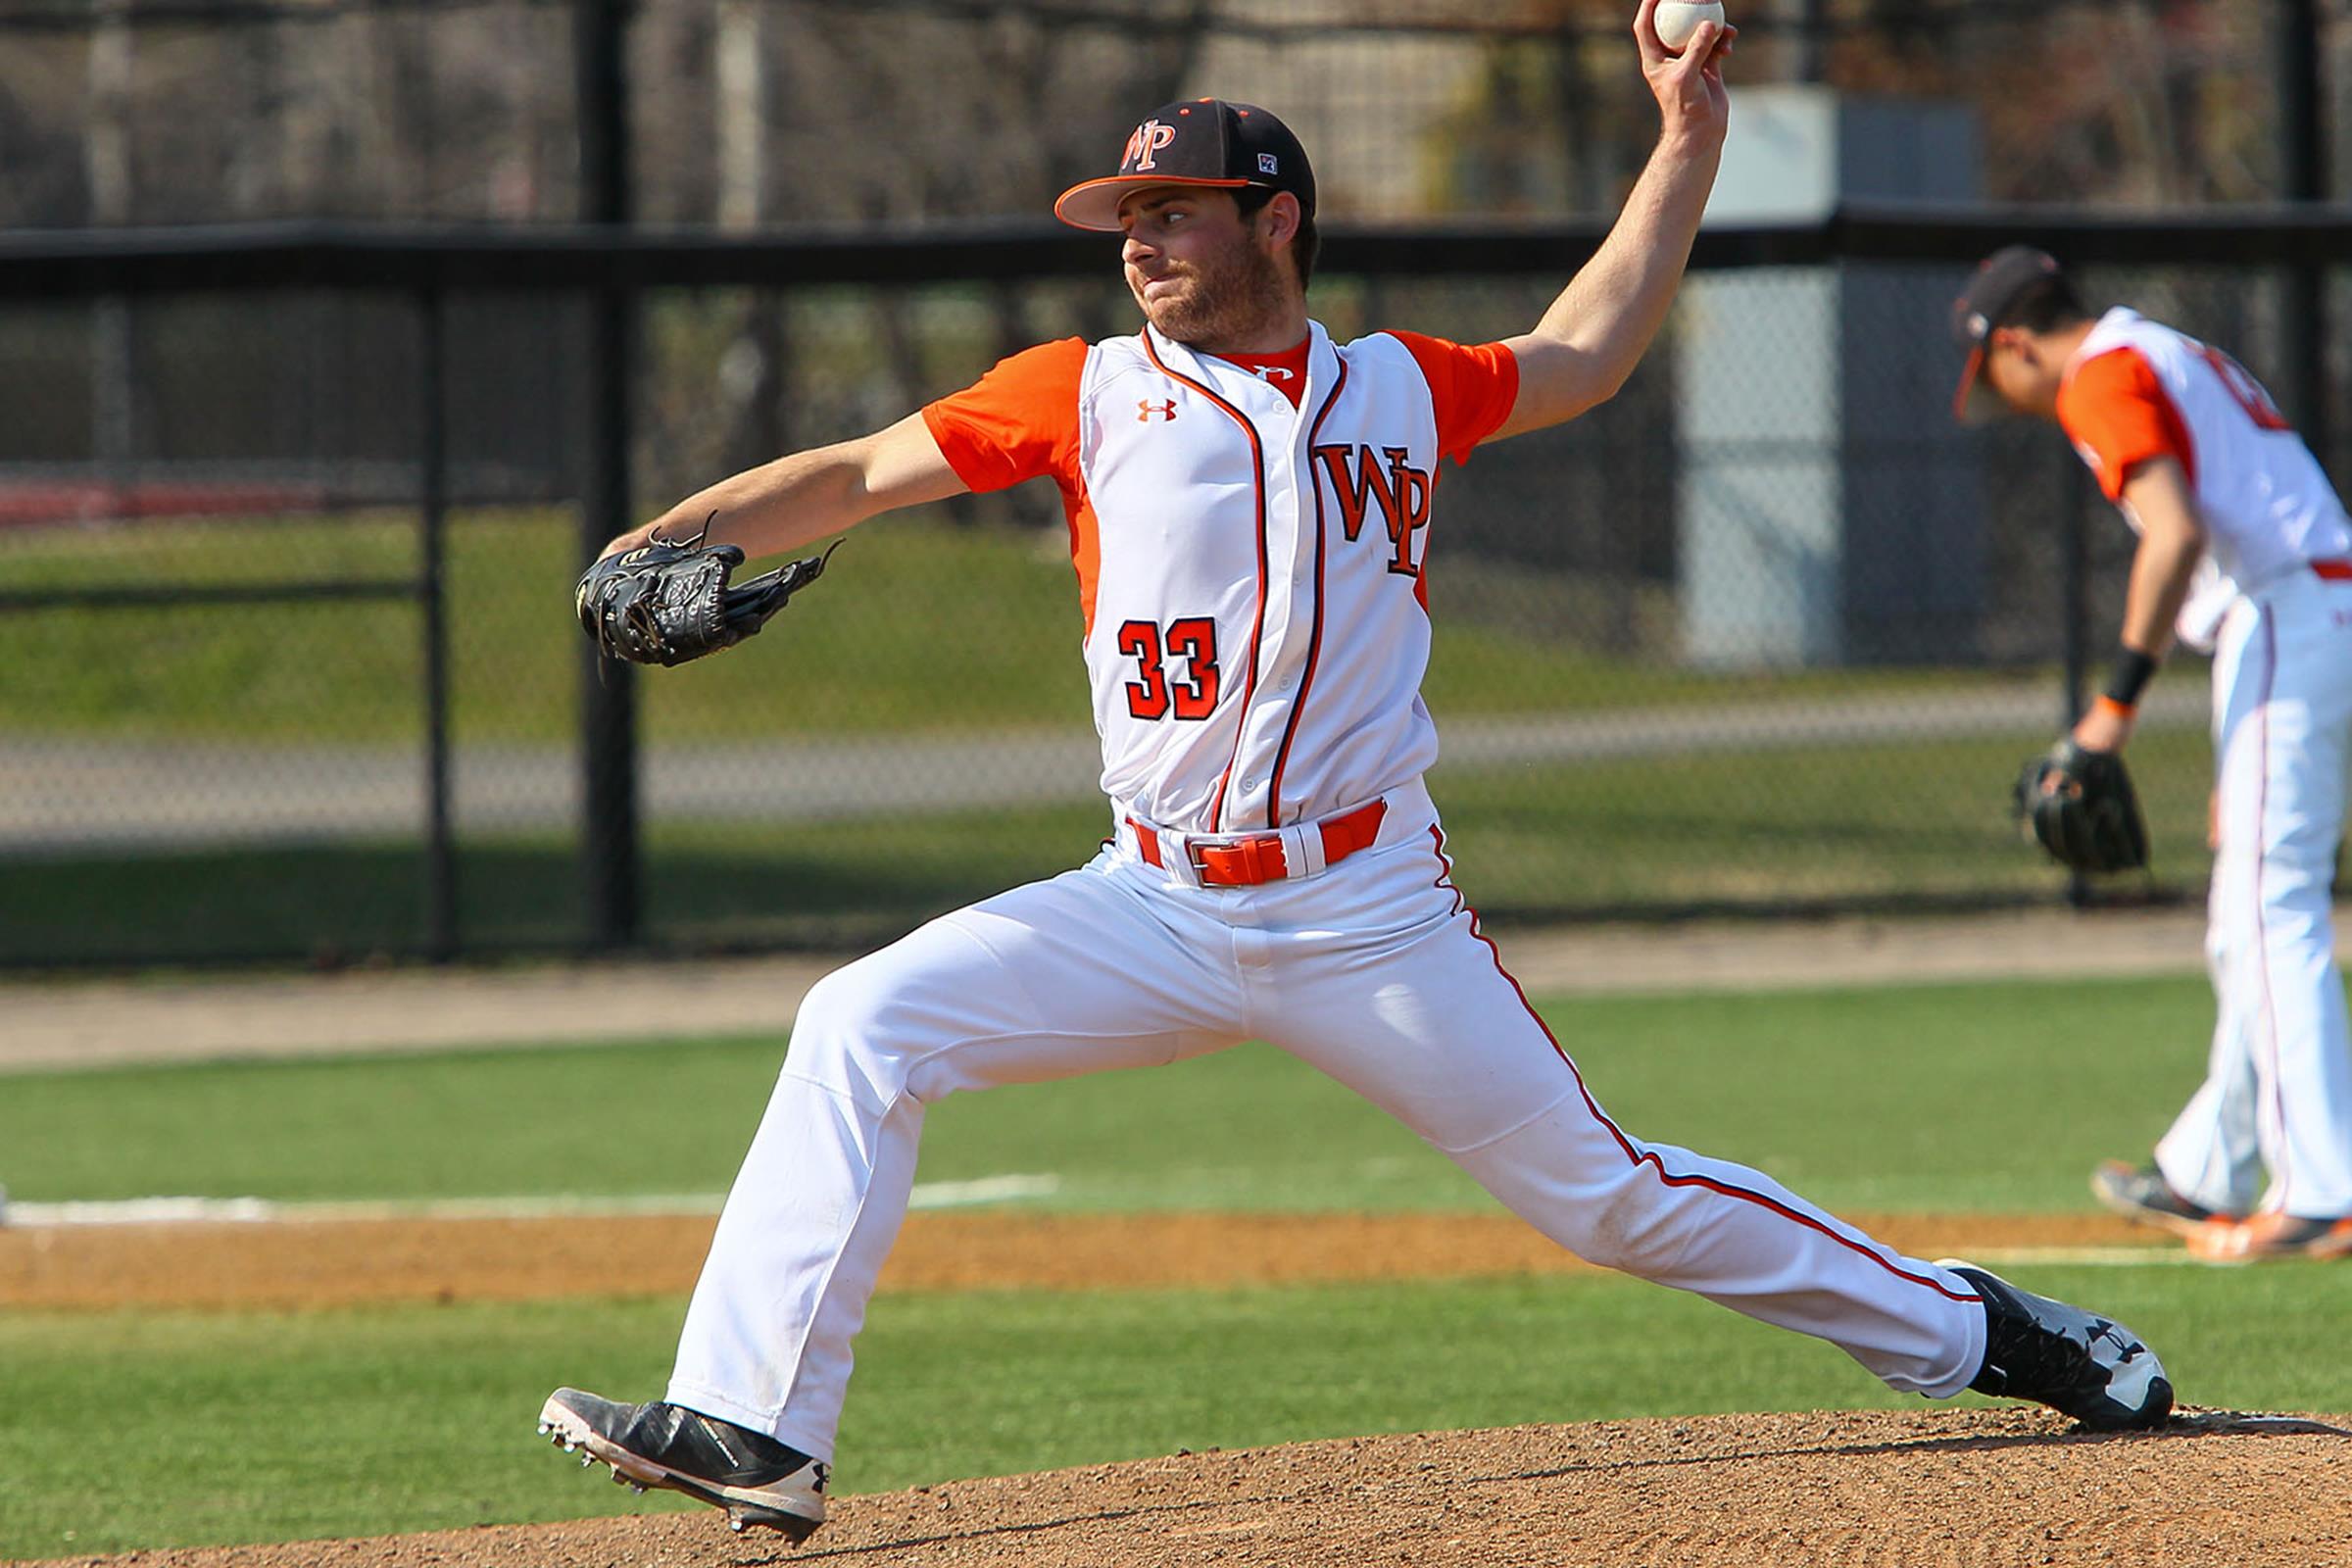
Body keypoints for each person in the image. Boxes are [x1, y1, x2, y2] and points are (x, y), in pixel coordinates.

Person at [536, 8, 2171, 1544]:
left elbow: (1587, 348)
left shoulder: (1400, 387)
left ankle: (1985, 1330)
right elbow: (850, 473)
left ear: (1277, 222)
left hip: (1369, 908)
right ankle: (756, 1425)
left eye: (1177, 211)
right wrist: (655, 540)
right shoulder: (1083, 393)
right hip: (1148, 900)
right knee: (861, 1024)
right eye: (1130, 214)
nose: (1140, 239)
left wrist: (1688, 138)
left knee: (1611, 1202)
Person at [1951, 246, 2352, 1263]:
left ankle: (2324, 1190)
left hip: (2289, 613)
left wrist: (2110, 712)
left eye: (1990, 372)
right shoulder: (2163, 347)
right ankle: (2206, 1168)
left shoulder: (2099, 375)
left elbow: (2170, 536)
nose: (2001, 395)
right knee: (2247, 910)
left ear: (2014, 343)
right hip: (2313, 611)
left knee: (2267, 908)